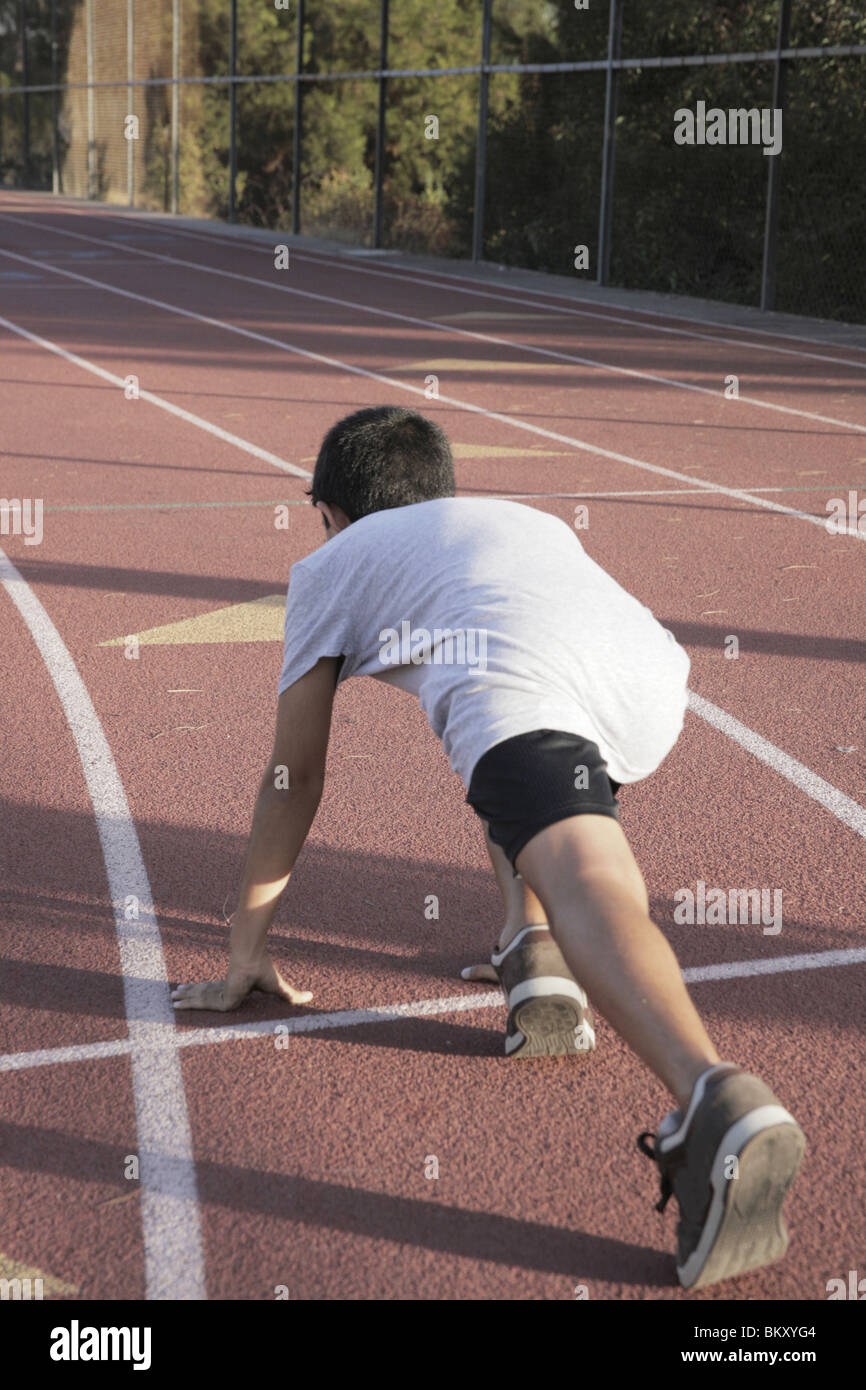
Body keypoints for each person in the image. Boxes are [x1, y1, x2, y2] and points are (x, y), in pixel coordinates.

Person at [172, 405, 805, 1290]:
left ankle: (712, 1098)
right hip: (645, 675)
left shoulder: (329, 563)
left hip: (525, 685)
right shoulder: (509, 521)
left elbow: (295, 778)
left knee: (584, 864)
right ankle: (530, 948)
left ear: (329, 512)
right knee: (501, 753)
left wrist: (245, 946)